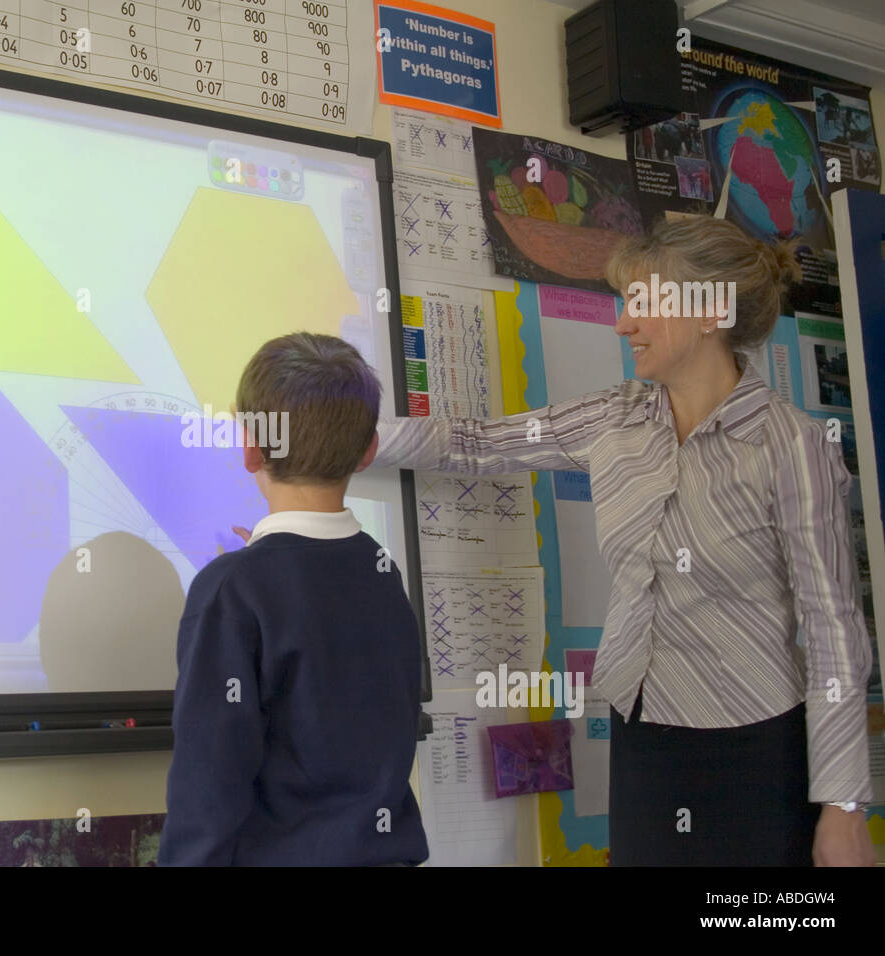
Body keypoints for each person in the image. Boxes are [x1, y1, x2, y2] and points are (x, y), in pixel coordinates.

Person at [372, 216, 876, 866]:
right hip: (645, 739)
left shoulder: (793, 448)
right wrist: (356, 437)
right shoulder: (614, 418)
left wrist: (843, 803)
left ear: (708, 313)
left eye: (644, 302)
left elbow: (834, 629)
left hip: (756, 749)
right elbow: (475, 442)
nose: (623, 323)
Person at [158, 333, 429, 866]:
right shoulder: (384, 573)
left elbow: (208, 783)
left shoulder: (232, 590)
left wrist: (248, 578)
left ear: (250, 448)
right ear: (369, 449)